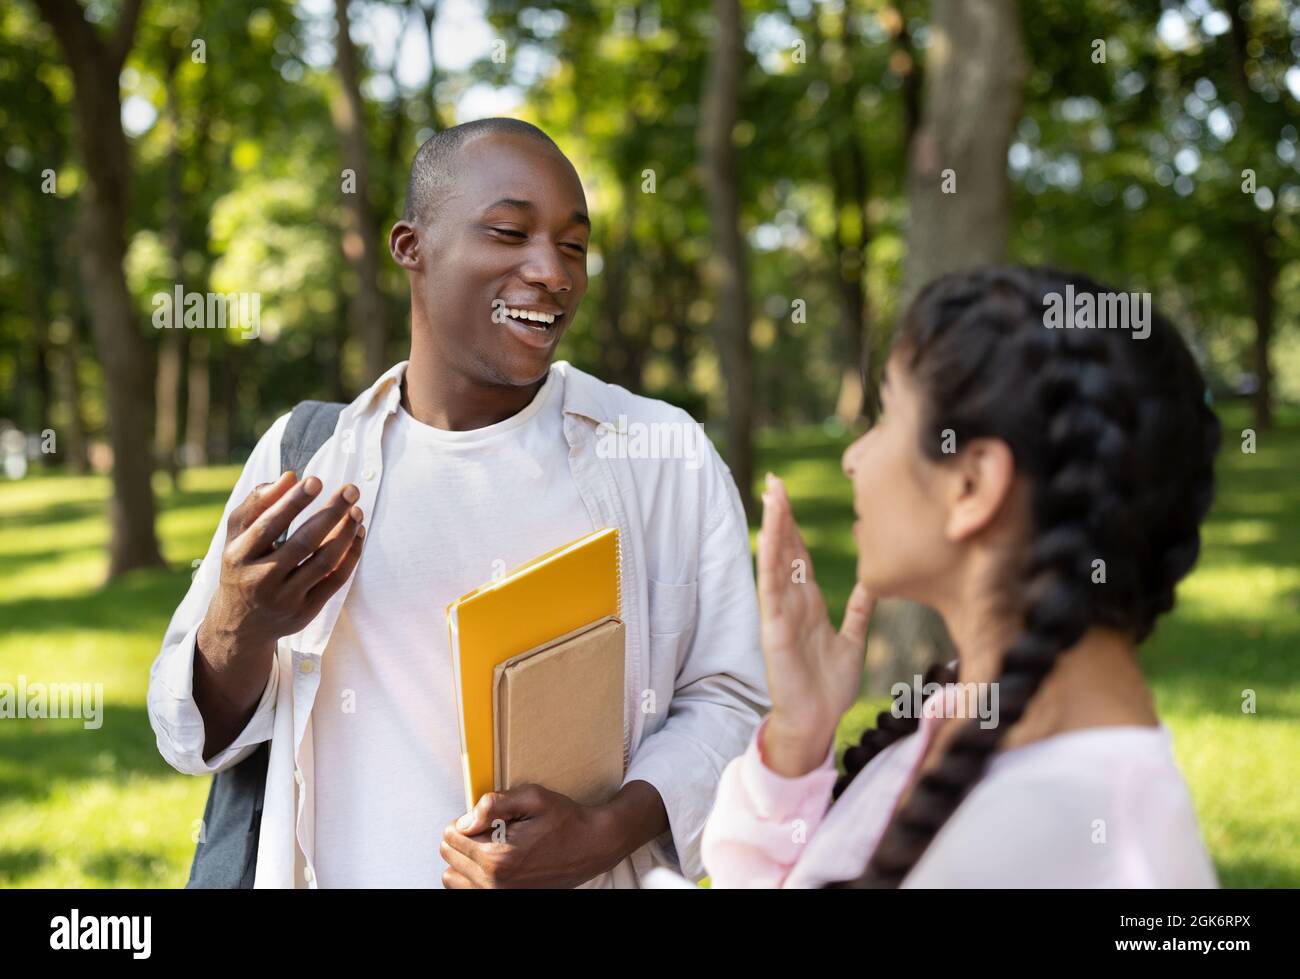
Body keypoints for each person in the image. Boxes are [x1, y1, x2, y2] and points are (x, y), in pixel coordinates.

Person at [147, 117, 767, 888]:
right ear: (411, 246)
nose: (553, 271)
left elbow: (733, 699)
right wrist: (238, 626)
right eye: (510, 232)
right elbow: (184, 731)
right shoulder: (303, 458)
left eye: (573, 245)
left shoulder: (662, 453)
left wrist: (604, 832)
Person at [701, 265, 1221, 888]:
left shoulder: (1095, 847)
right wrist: (799, 737)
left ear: (972, 485)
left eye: (887, 414)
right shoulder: (953, 722)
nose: (852, 458)